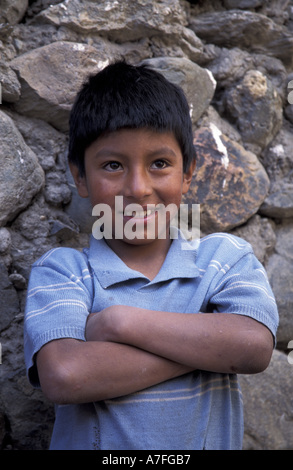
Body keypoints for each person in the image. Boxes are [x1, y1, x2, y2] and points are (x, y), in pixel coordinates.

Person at [24, 61, 278, 450]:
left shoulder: (223, 259)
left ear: (188, 172)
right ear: (79, 176)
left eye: (159, 163)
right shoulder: (65, 272)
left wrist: (119, 323)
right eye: (113, 165)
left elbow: (254, 347)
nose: (138, 188)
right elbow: (66, 375)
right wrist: (211, 345)